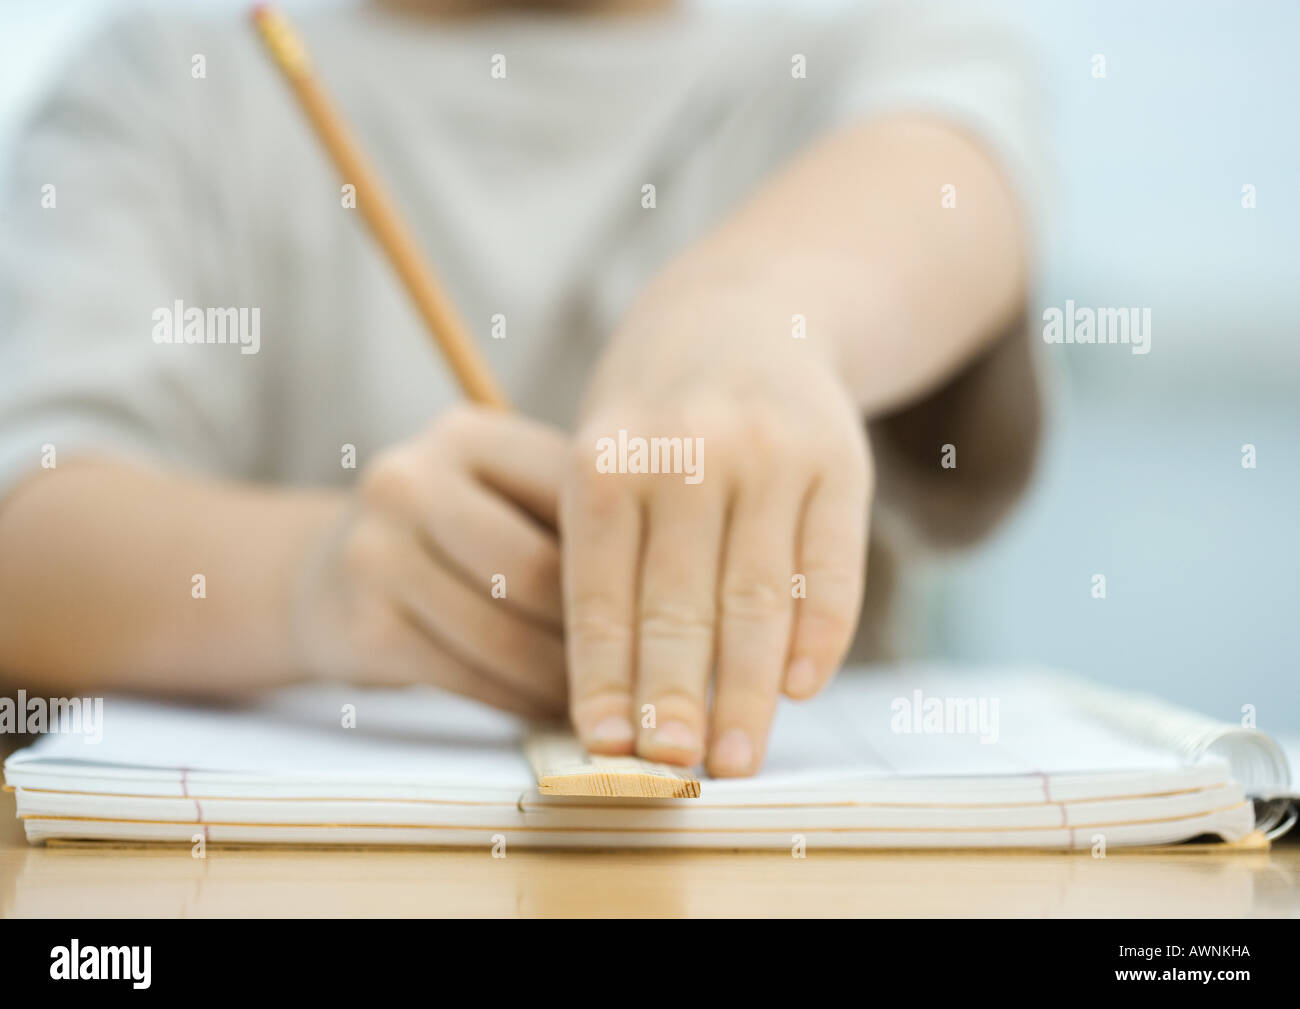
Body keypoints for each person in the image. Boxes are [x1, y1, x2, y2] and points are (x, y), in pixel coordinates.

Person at [0, 0, 1042, 777]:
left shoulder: (862, 32)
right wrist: (320, 582)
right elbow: (27, 534)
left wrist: (745, 316)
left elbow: (949, 169)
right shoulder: (175, 71)